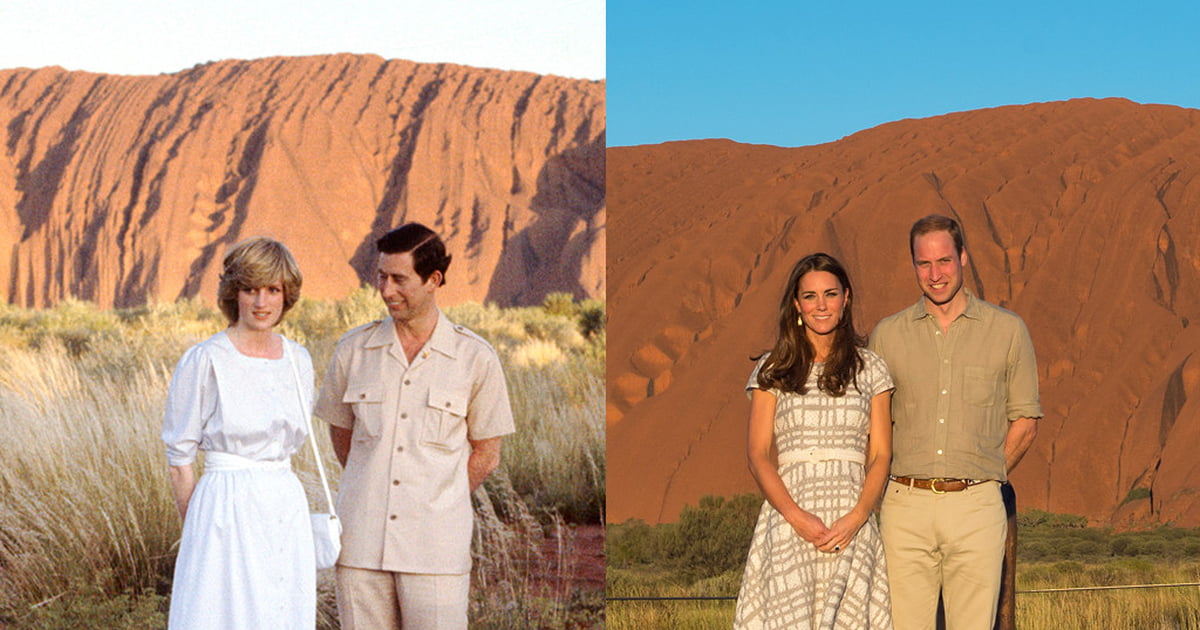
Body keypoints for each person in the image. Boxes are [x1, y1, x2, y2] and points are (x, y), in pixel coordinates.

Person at [315, 222, 515, 630]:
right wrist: (374, 483)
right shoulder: (353, 350)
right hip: (360, 548)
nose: (387, 291)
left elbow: (486, 454)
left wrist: (437, 497)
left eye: (399, 279)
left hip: (436, 549)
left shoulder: (475, 358)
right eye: (381, 277)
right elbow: (342, 438)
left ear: (433, 280)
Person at [868, 214, 1041, 630]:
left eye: (944, 261)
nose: (935, 274)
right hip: (905, 505)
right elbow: (875, 425)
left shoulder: (1007, 331)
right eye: (924, 264)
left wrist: (987, 475)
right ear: (913, 265)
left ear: (962, 257)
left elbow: (1025, 419)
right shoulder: (887, 336)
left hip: (976, 503)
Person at [734, 252, 895, 630]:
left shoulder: (871, 368)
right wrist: (796, 517)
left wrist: (857, 518)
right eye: (810, 296)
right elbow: (757, 455)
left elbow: (882, 454)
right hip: (790, 523)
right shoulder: (772, 369)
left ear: (846, 298)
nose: (821, 305)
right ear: (796, 305)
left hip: (851, 522)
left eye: (830, 294)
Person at [162, 237, 316, 629]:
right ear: (234, 293)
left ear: (287, 295)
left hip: (284, 502)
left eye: (272, 290)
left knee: (281, 611)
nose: (261, 302)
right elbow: (180, 461)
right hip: (223, 504)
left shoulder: (298, 360)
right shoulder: (206, 359)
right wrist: (199, 524)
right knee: (218, 612)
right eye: (250, 289)